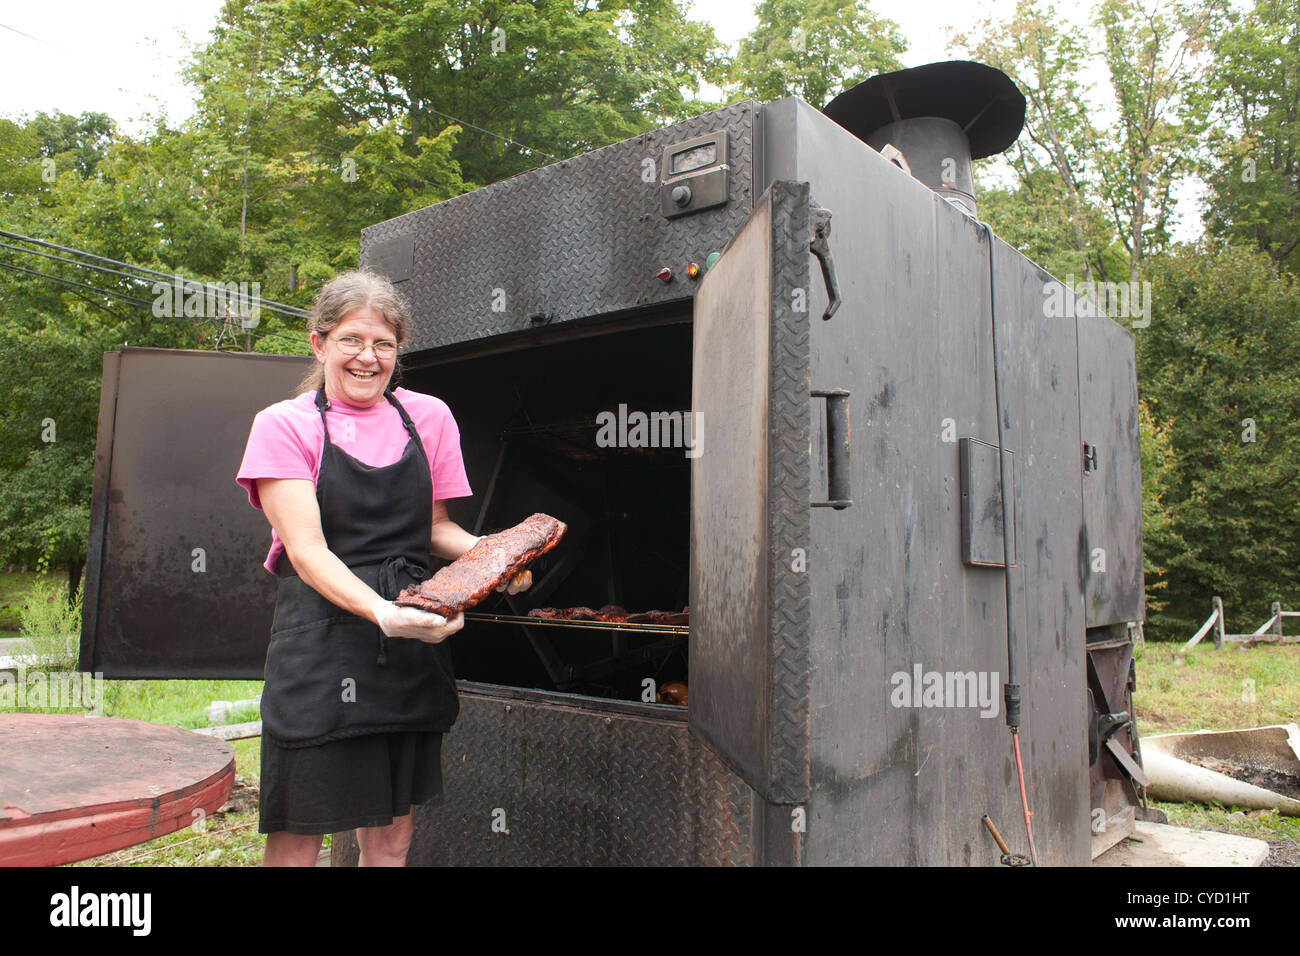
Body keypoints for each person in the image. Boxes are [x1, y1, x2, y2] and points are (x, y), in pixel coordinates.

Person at [236, 270, 527, 867]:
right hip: (321, 643)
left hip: (410, 640)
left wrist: (492, 554)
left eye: (384, 345)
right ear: (319, 344)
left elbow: (432, 527)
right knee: (299, 833)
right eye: (351, 340)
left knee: (392, 836)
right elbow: (307, 550)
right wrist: (380, 613)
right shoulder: (283, 425)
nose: (367, 358)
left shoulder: (429, 417)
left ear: (398, 352)